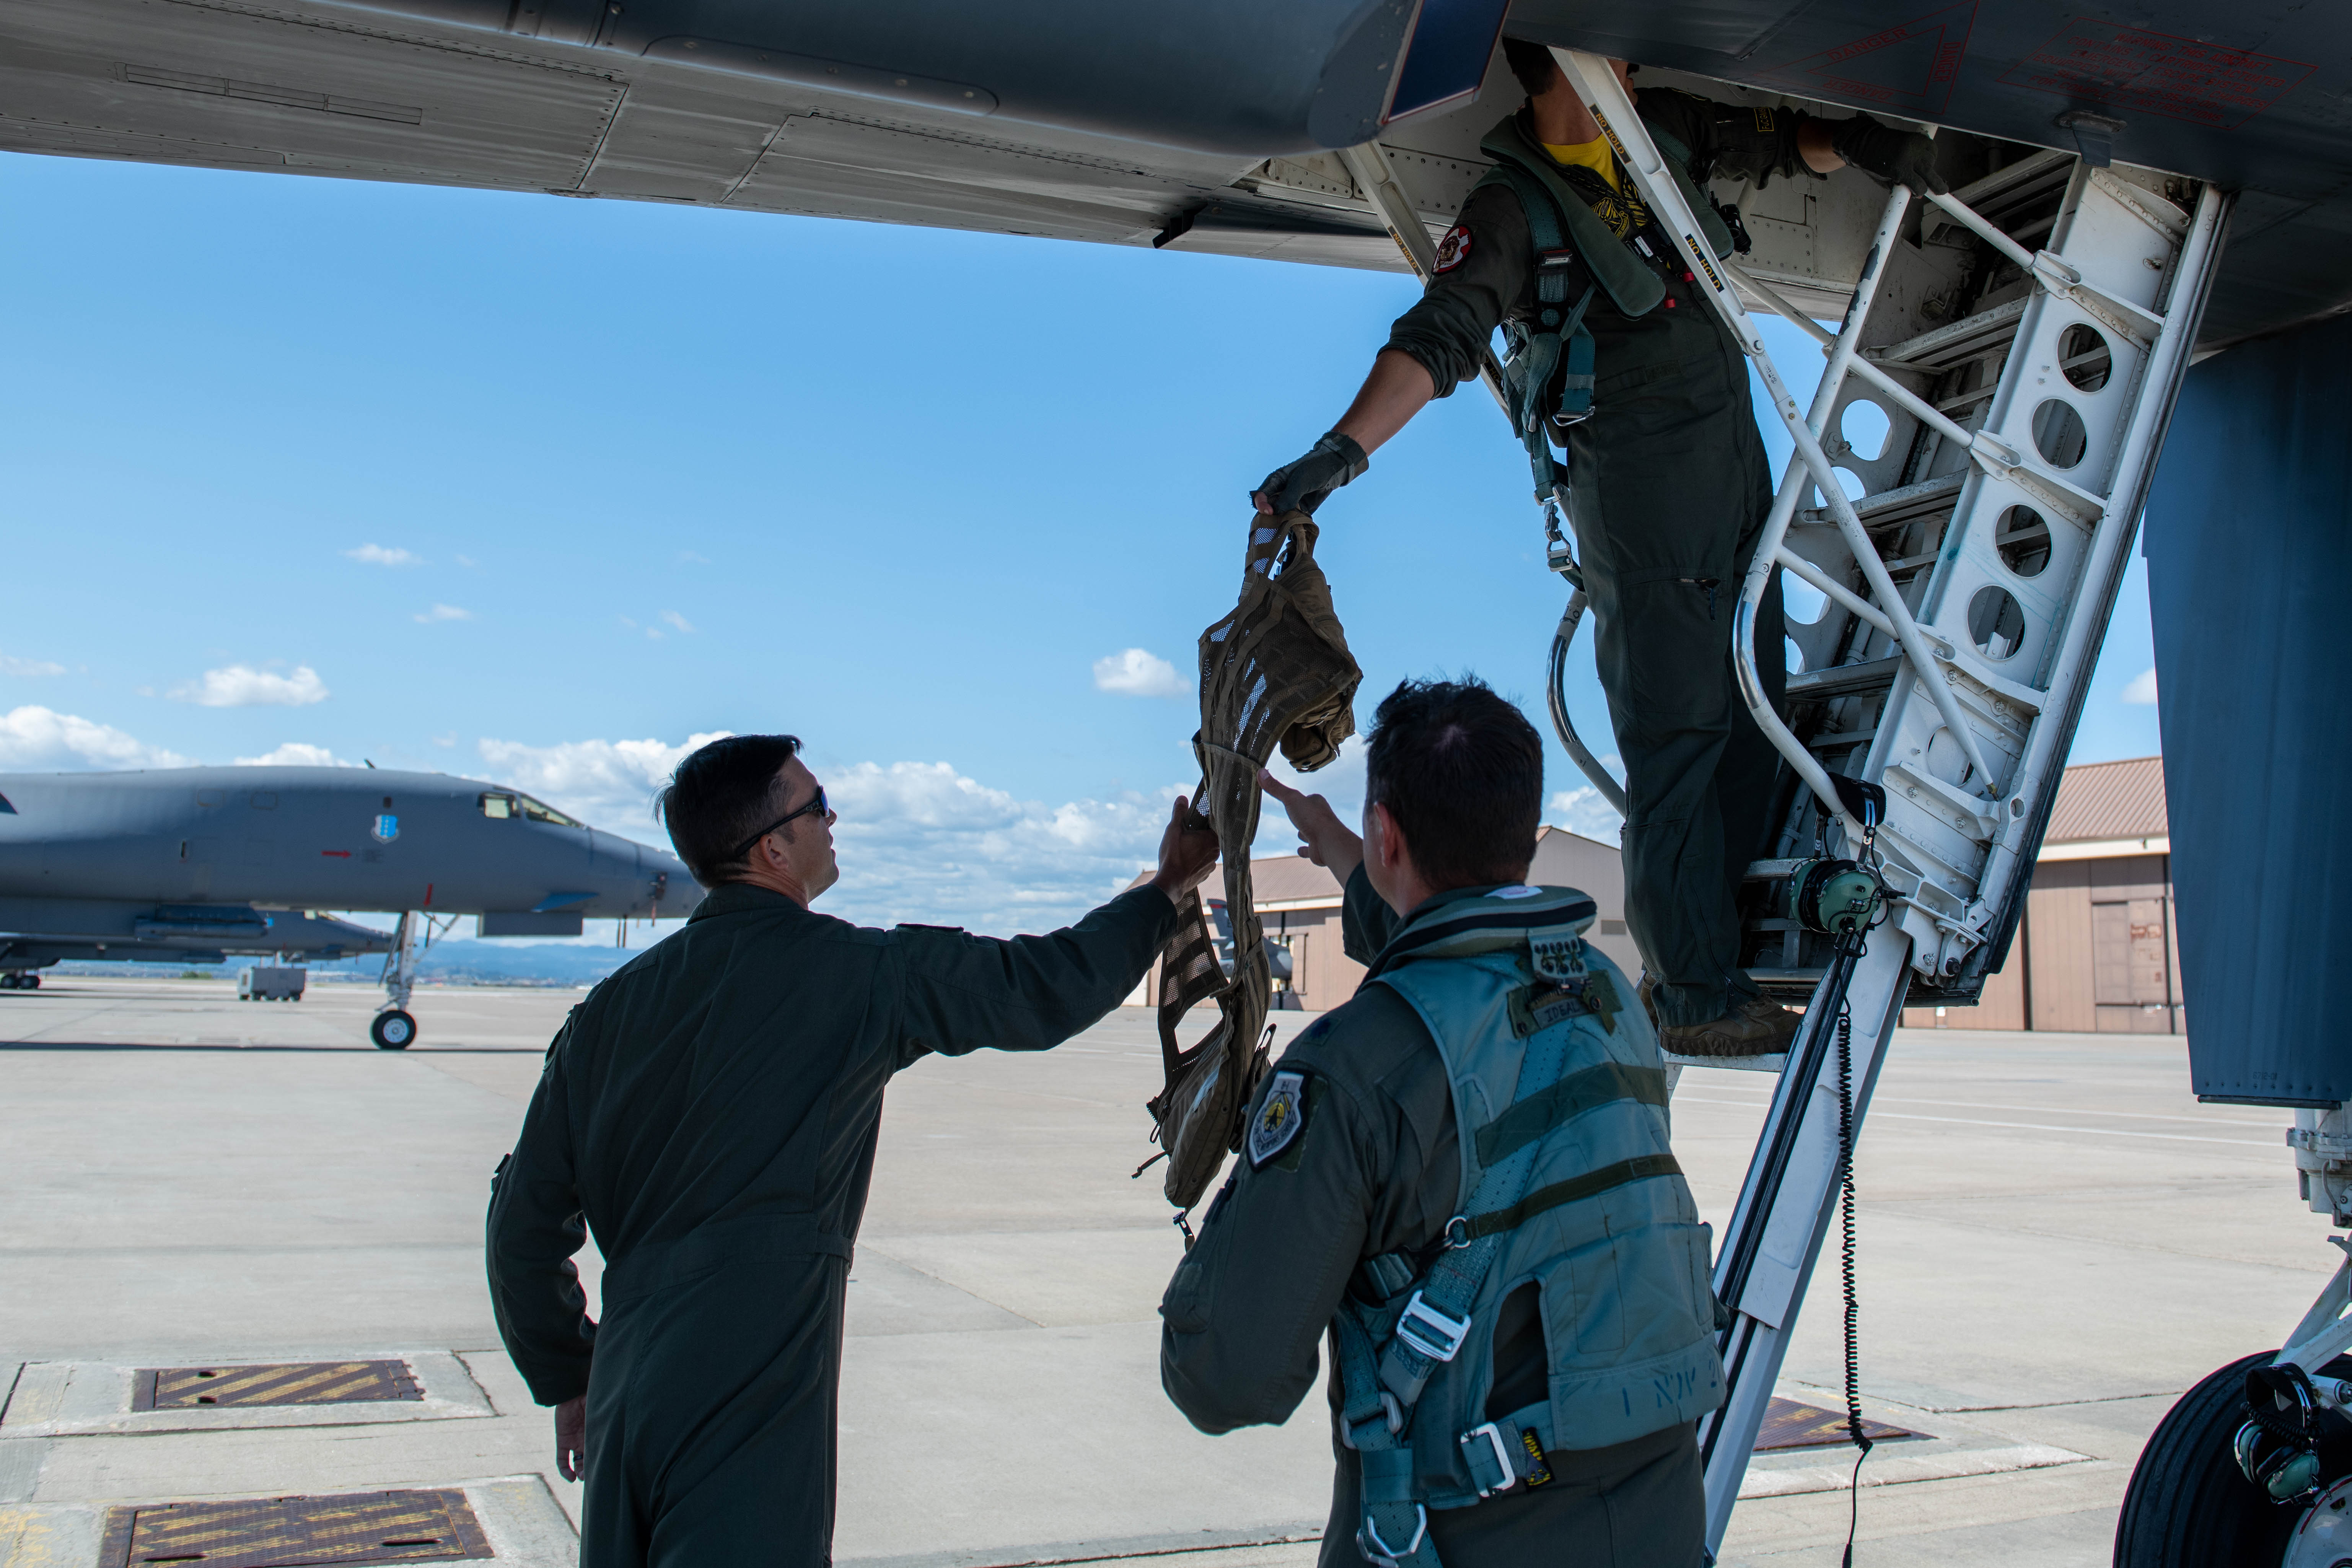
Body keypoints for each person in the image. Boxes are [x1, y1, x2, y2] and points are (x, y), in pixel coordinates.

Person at [1251, 41, 1943, 1058]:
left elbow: (1776, 143)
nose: (1629, 61)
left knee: (1757, 723)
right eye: (1611, 51)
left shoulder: (1656, 135)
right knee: (1676, 744)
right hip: (1645, 510)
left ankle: (1737, 950)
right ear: (1568, 68)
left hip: (1735, 487)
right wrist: (1338, 453)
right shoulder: (1511, 210)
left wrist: (1855, 138)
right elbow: (1438, 336)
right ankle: (1695, 993)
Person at [485, 733, 1218, 1568]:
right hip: (750, 1385)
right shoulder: (857, 972)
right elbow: (1044, 987)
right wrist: (1166, 888)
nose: (832, 820)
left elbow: (520, 1230)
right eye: (816, 805)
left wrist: (568, 1373)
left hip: (624, 1386)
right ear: (772, 847)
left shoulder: (603, 1014)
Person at [1159, 678, 1724, 1568]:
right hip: (1658, 1522)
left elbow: (1226, 1378)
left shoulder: (1349, 1068)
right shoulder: (1610, 999)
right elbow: (1466, 969)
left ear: (1388, 834)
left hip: (1463, 1537)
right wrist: (1343, 851)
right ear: (1521, 829)